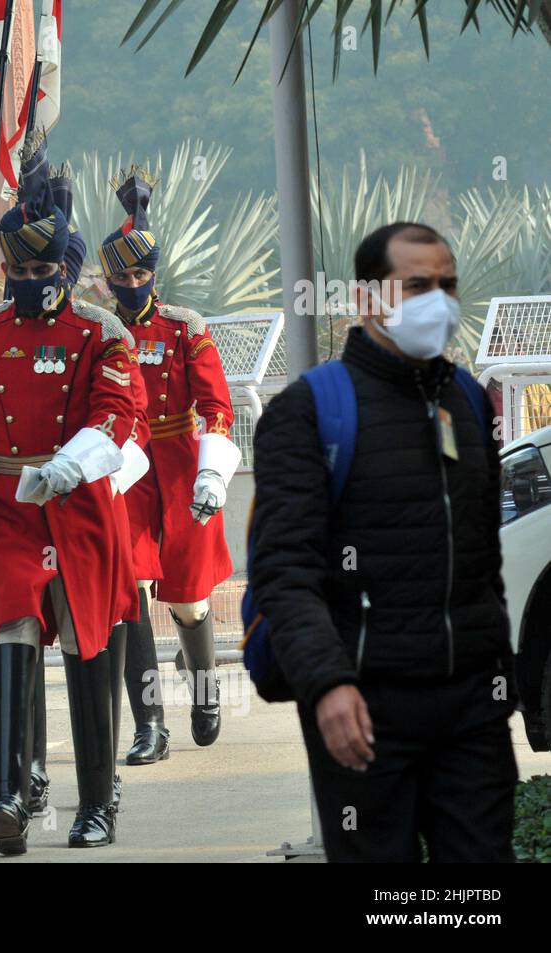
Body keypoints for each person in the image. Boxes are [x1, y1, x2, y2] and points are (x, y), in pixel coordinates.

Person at [250, 222, 516, 862]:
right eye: (418, 285)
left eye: (448, 285)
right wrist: (328, 685)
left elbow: (484, 562)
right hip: (363, 706)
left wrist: (500, 676)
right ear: (368, 300)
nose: (439, 302)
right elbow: (286, 572)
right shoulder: (311, 411)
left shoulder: (471, 403)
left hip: (470, 708)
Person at [0, 135, 140, 854]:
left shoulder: (100, 331)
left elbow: (119, 415)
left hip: (81, 505)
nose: (28, 278)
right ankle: (10, 794)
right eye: (16, 268)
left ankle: (97, 800)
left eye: (40, 267)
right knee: (12, 633)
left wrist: (75, 460)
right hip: (10, 505)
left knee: (88, 645)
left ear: (64, 266)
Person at [101, 170, 241, 765]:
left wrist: (212, 472)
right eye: (122, 276)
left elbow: (216, 407)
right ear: (108, 279)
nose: (132, 284)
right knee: (129, 590)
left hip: (183, 465)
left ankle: (206, 693)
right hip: (127, 472)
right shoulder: (101, 334)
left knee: (188, 600)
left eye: (141, 274)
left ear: (154, 275)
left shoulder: (185, 329)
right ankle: (149, 725)